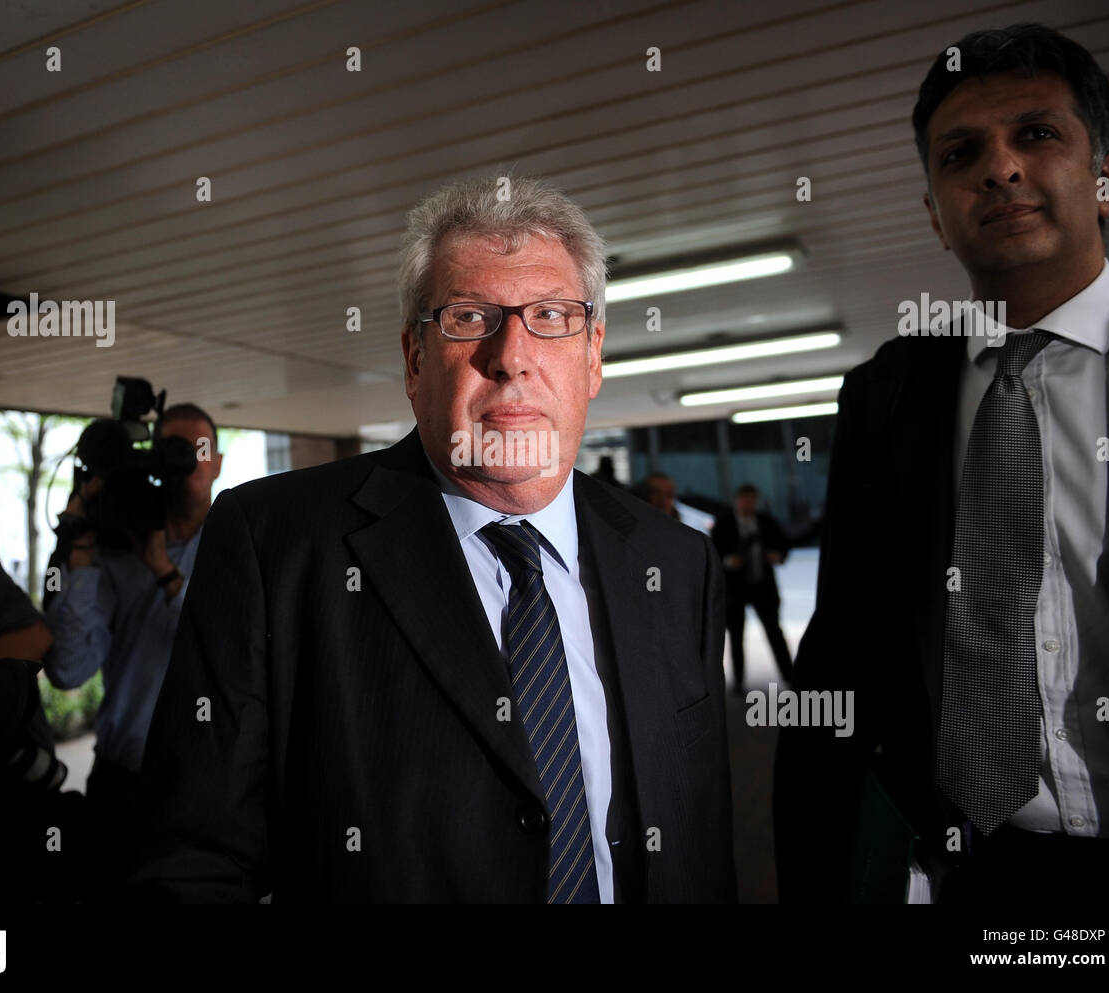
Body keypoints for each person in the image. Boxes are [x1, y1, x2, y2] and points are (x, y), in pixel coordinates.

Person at [133, 176, 735, 903]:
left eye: (550, 315)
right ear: (415, 361)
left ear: (593, 354)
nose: (512, 355)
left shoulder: (675, 562)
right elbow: (193, 864)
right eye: (470, 316)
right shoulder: (276, 545)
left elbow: (700, 836)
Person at [775, 23, 1109, 903]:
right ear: (935, 215)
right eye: (962, 154)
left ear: (1108, 180)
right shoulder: (887, 395)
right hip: (976, 868)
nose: (1000, 167)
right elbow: (842, 650)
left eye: (1037, 134)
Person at [44, 403, 223, 890]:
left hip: (206, 789)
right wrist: (79, 548)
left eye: (198, 450)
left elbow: (227, 651)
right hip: (120, 781)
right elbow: (68, 668)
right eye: (172, 451)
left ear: (219, 463)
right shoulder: (116, 549)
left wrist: (165, 572)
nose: (186, 461)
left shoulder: (237, 542)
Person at [712, 484, 795, 690]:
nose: (748, 504)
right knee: (736, 635)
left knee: (774, 632)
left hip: (762, 585)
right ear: (737, 500)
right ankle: (739, 680)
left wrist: (778, 555)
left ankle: (790, 676)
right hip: (735, 589)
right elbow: (714, 552)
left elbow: (784, 543)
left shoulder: (765, 521)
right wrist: (728, 561)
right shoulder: (724, 524)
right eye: (745, 499)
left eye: (752, 499)